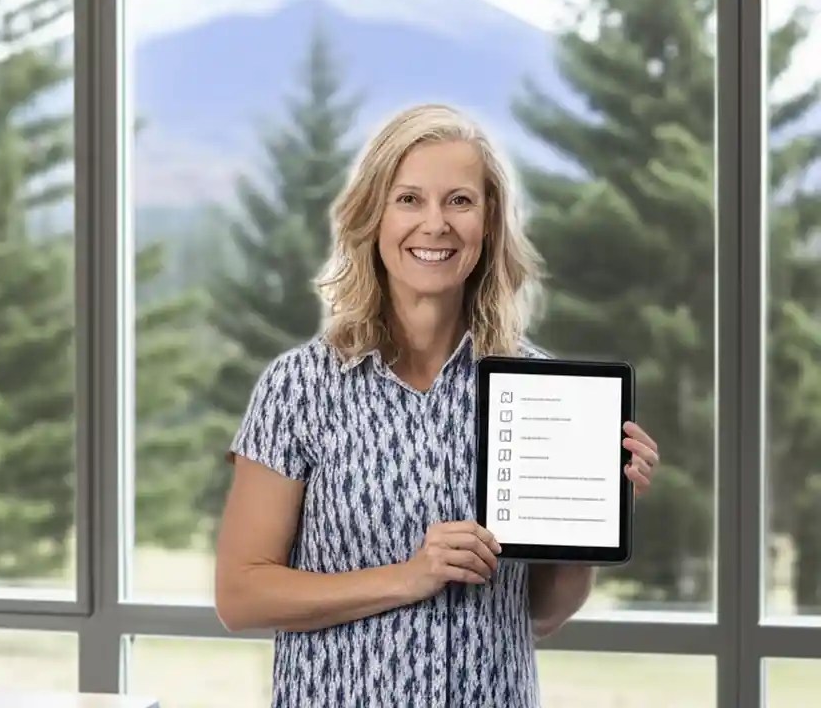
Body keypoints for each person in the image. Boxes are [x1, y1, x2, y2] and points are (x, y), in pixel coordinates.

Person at [213, 103, 660, 707]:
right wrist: (409, 577)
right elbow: (241, 596)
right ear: (373, 217)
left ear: (488, 223)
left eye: (459, 201)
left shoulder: (538, 390)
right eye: (409, 199)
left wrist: (594, 516)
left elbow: (543, 616)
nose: (435, 224)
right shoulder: (299, 386)